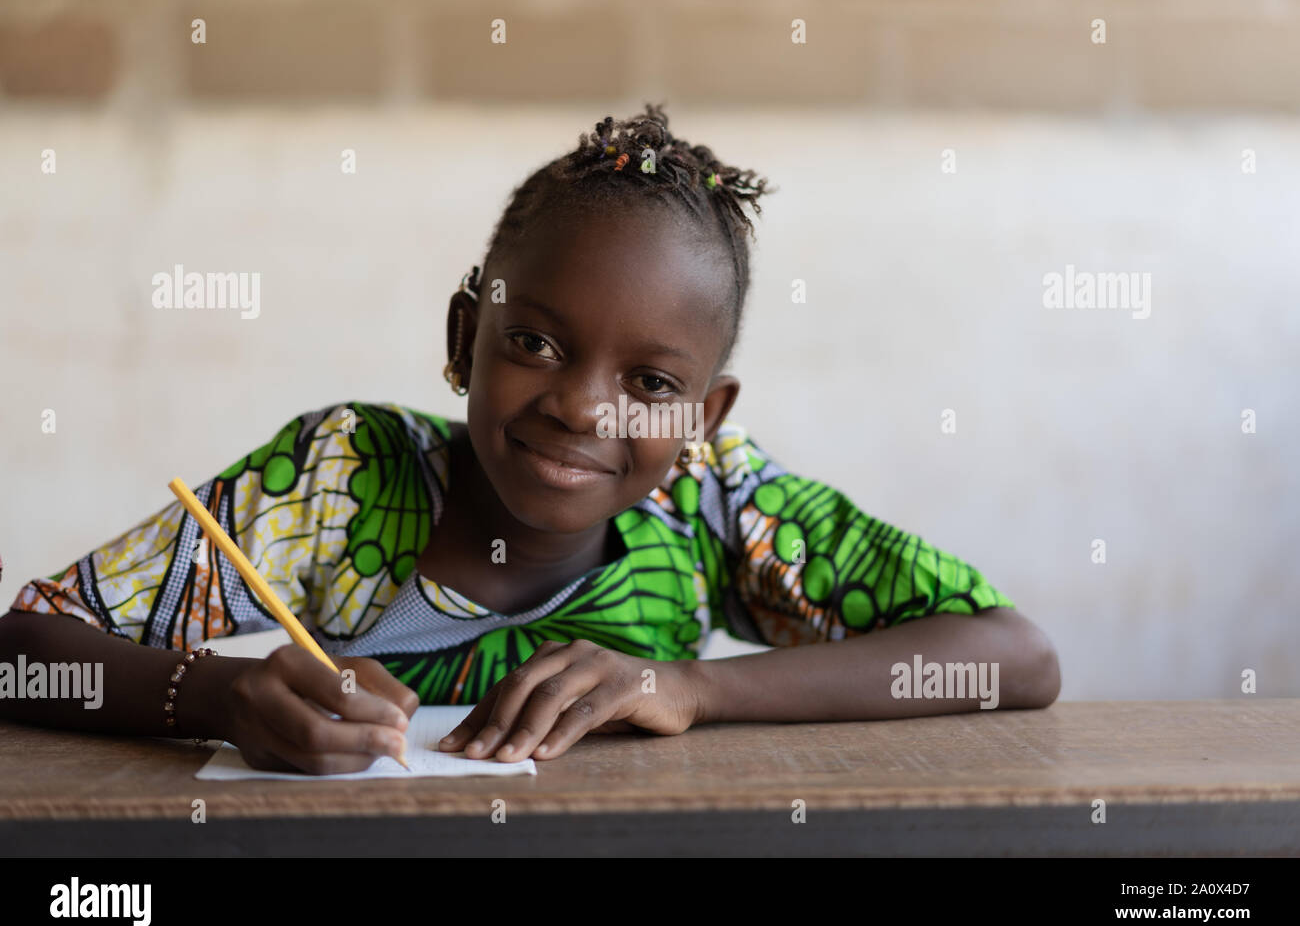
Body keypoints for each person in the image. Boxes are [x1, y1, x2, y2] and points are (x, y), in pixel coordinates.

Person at [0, 103, 1060, 773]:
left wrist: (692, 685)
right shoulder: (340, 477)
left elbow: (1012, 656)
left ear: (702, 418)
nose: (581, 407)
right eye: (536, 343)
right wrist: (221, 694)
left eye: (649, 381)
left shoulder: (715, 502)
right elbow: (21, 652)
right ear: (467, 336)